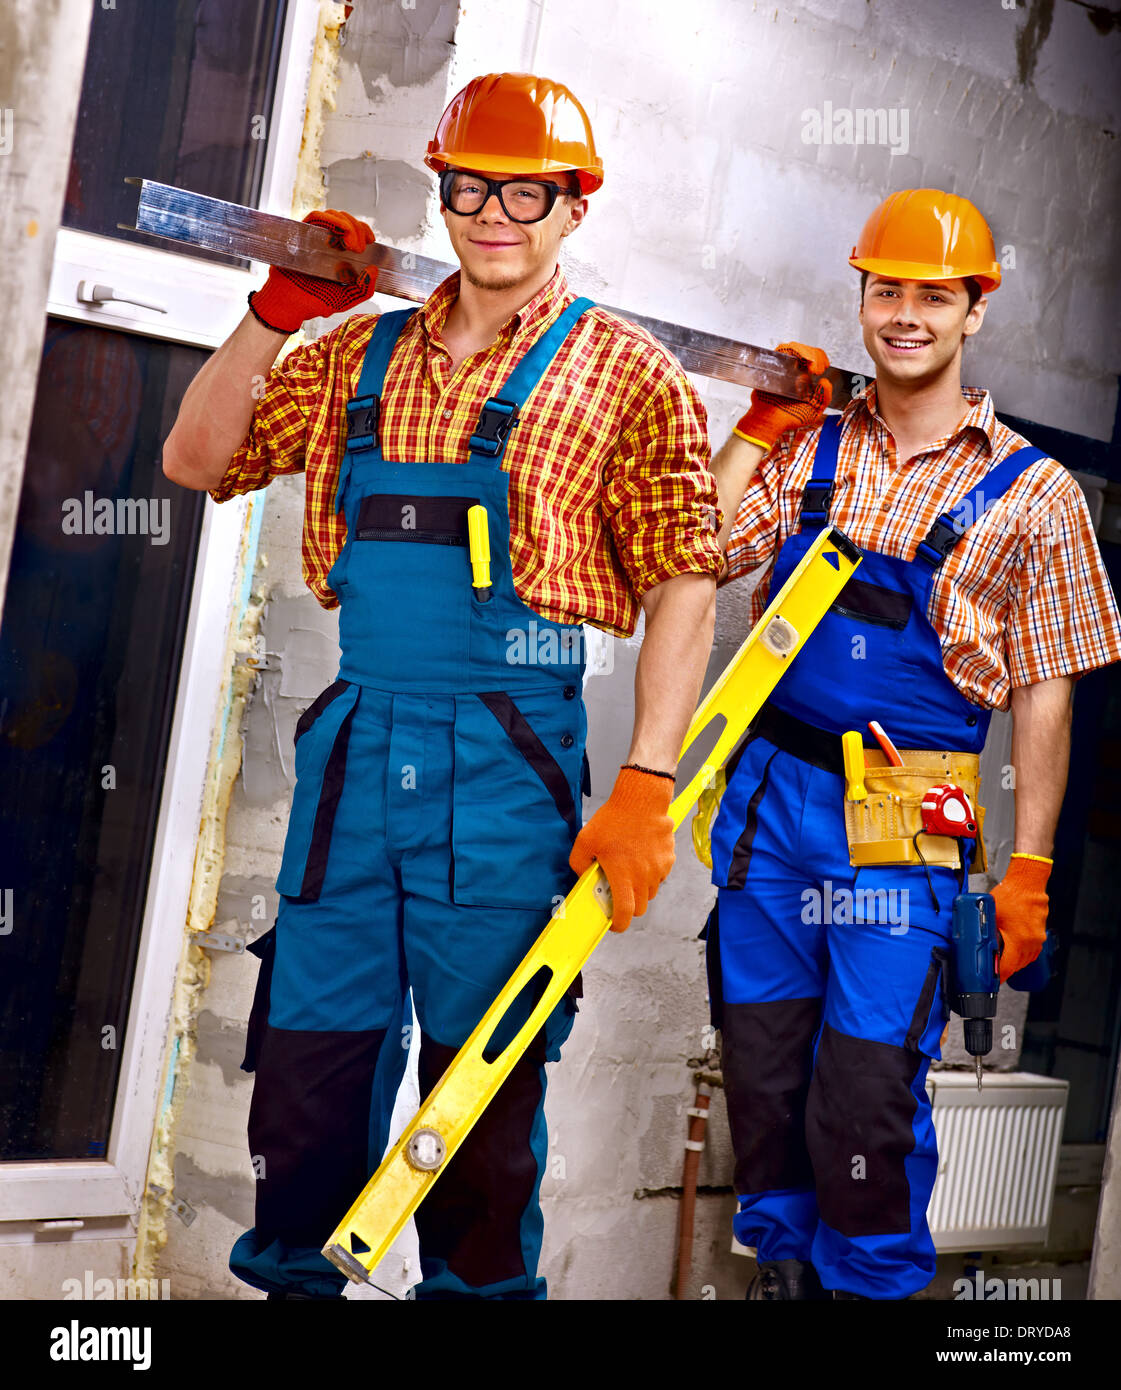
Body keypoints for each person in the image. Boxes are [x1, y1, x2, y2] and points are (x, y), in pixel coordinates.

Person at [162, 71, 725, 1300]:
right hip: (358, 747)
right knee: (310, 1074)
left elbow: (688, 576)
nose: (494, 215)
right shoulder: (350, 355)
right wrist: (271, 314)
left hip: (510, 755)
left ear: (573, 205)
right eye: (470, 185)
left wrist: (645, 778)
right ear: (445, 188)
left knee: (481, 1101)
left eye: (527, 191)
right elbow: (195, 455)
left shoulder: (627, 378)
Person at [705, 189, 1121, 1300]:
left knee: (863, 1090)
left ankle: (875, 1286)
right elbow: (691, 552)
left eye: (931, 295)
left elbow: (1045, 691)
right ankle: (783, 1278)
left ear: (973, 310)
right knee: (762, 1067)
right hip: (767, 792)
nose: (903, 315)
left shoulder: (1032, 495)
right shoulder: (809, 449)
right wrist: (751, 434)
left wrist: (1029, 861)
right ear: (861, 295)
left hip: (901, 811)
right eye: (884, 289)